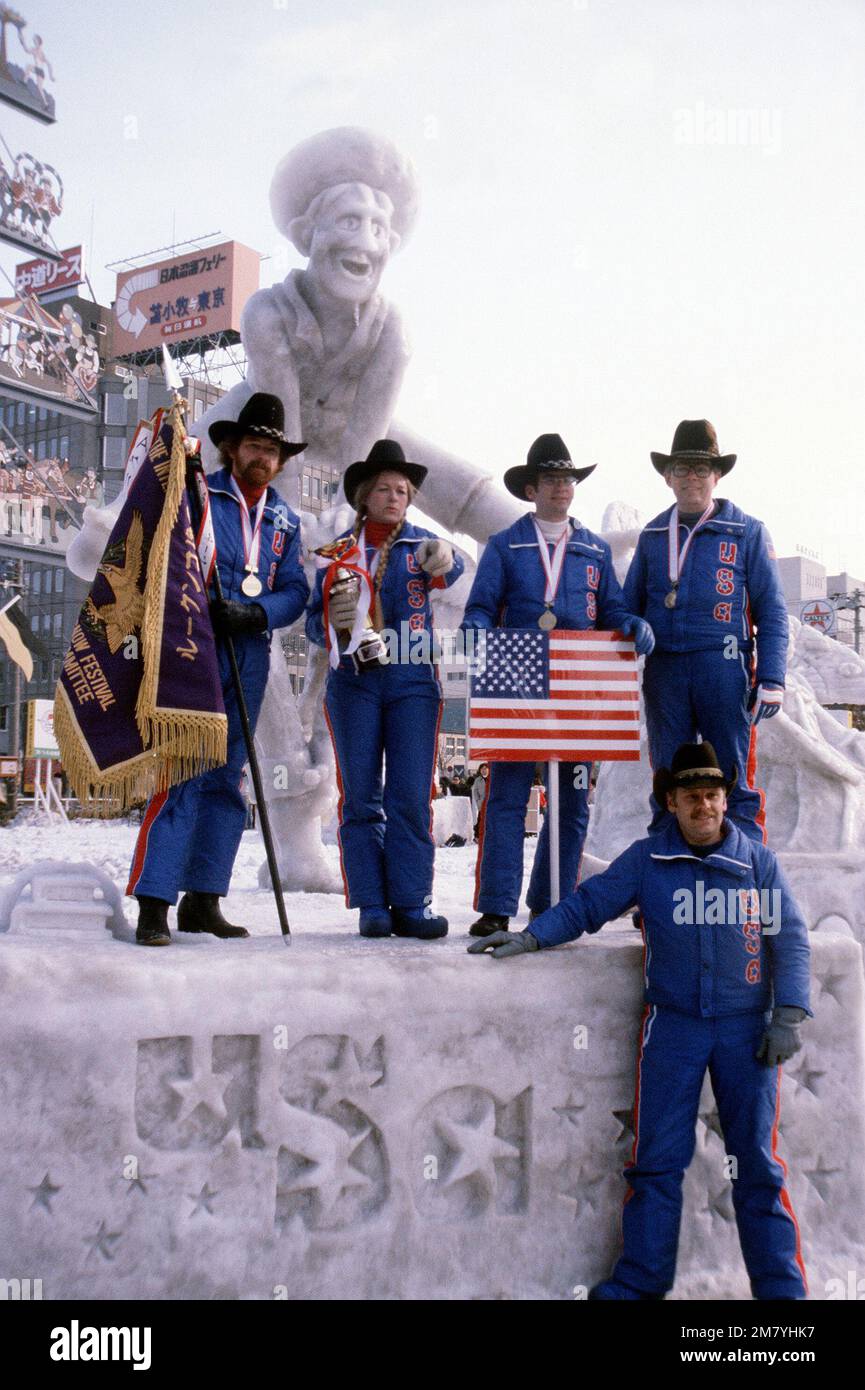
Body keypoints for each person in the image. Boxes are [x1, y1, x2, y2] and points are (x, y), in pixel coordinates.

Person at [469, 742, 811, 1302]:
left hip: (747, 1032)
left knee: (756, 1166)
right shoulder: (647, 861)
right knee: (655, 1162)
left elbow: (790, 938)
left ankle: (783, 1296)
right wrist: (533, 935)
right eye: (691, 797)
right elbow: (588, 904)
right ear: (670, 802)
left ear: (725, 800)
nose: (704, 806)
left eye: (713, 795)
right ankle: (641, 1282)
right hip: (673, 1030)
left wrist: (789, 1013)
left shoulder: (757, 863)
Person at [127, 393, 309, 946]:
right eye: (254, 445)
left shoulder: (284, 518)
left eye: (271, 449)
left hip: (250, 650)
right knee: (183, 771)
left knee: (229, 778)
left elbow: (297, 590)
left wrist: (256, 611)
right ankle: (155, 902)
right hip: (194, 647)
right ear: (232, 448)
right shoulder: (199, 494)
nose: (262, 456)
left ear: (280, 459)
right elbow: (164, 554)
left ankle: (205, 899)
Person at [460, 432, 655, 936]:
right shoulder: (505, 545)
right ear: (531, 488)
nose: (561, 488)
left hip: (578, 680)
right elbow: (481, 604)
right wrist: (476, 628)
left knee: (570, 798)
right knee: (507, 795)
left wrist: (629, 623)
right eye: (550, 479)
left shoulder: (591, 548)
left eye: (567, 479)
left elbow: (610, 609)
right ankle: (495, 906)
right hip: (517, 674)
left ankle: (552, 900)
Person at [306, 437, 464, 939]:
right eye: (385, 489)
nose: (396, 496)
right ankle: (372, 904)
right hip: (354, 683)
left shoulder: (423, 545)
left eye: (403, 489)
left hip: (413, 681)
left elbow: (456, 572)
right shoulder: (336, 554)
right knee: (358, 798)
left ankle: (412, 903)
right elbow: (312, 624)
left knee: (412, 795)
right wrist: (330, 618)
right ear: (364, 497)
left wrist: (448, 561)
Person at [623, 420, 788, 841]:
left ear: (717, 476)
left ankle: (742, 879)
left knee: (733, 779)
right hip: (665, 673)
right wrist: (633, 625)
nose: (692, 477)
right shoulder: (653, 534)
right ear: (668, 477)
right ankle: (665, 878)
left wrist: (771, 677)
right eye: (682, 469)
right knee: (668, 779)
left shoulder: (747, 530)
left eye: (701, 469)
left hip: (724, 665)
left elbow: (771, 610)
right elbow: (627, 607)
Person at [471, 762, 489, 839]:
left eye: (485, 769)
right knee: (480, 820)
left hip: (491, 802)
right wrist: (478, 801)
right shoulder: (478, 780)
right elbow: (475, 791)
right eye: (482, 769)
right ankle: (478, 836)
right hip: (482, 802)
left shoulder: (492, 778)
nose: (483, 770)